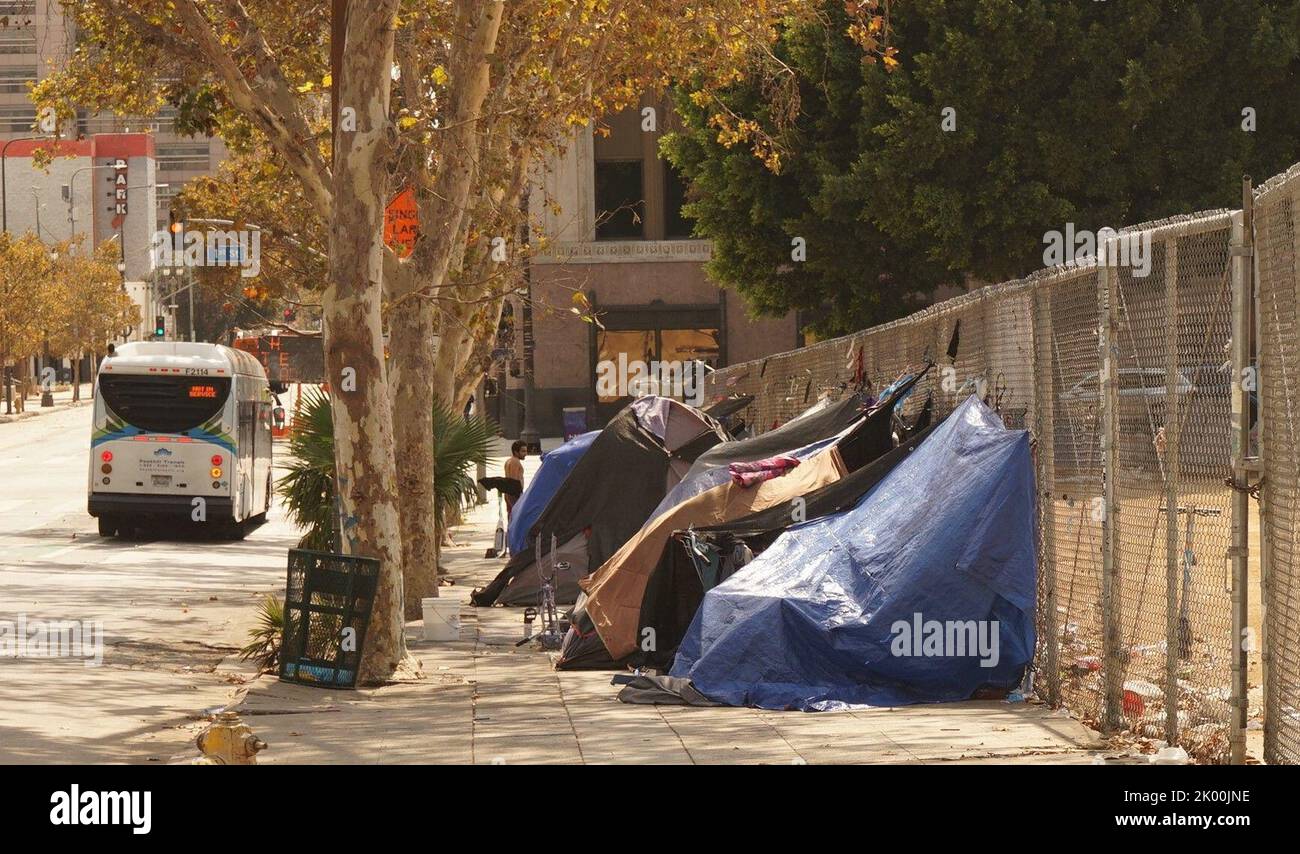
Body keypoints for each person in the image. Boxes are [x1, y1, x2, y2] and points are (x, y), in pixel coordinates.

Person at [503, 440, 527, 519]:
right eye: (523, 451)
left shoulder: (509, 461)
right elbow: (513, 480)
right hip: (513, 494)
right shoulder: (515, 462)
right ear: (516, 452)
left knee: (511, 516)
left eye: (526, 451)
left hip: (509, 493)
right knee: (515, 517)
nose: (525, 454)